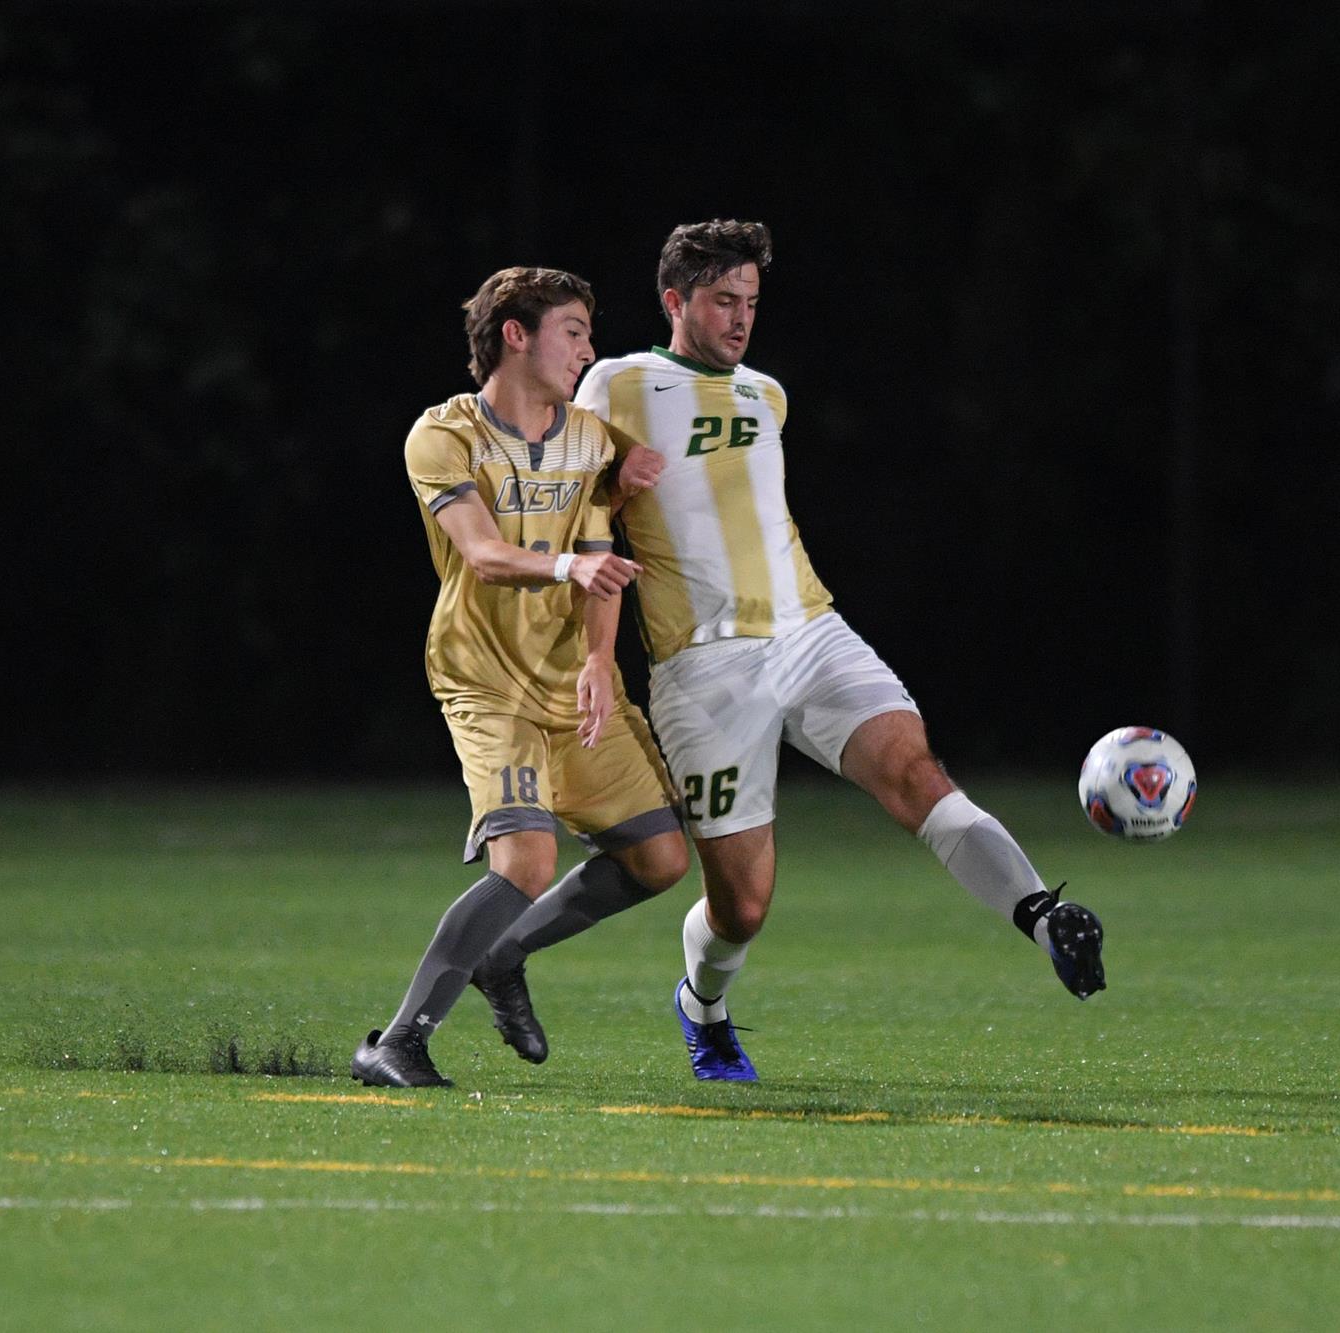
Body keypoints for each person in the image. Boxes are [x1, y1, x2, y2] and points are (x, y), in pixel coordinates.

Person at [471, 222, 1103, 1083]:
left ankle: (1041, 914)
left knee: (914, 770)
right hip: (703, 667)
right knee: (742, 907)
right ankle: (703, 1004)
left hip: (810, 632)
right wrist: (611, 508)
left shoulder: (765, 395)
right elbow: (572, 509)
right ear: (674, 301)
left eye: (751, 302)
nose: (741, 318)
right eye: (722, 301)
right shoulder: (616, 383)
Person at [351, 267, 690, 1089]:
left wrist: (601, 661)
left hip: (570, 680)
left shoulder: (591, 438)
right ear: (515, 333)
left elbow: (604, 559)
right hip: (487, 679)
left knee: (661, 859)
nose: (587, 350)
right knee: (527, 861)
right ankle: (397, 1041)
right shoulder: (444, 435)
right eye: (573, 331)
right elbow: (482, 553)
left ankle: (502, 954)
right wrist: (568, 565)